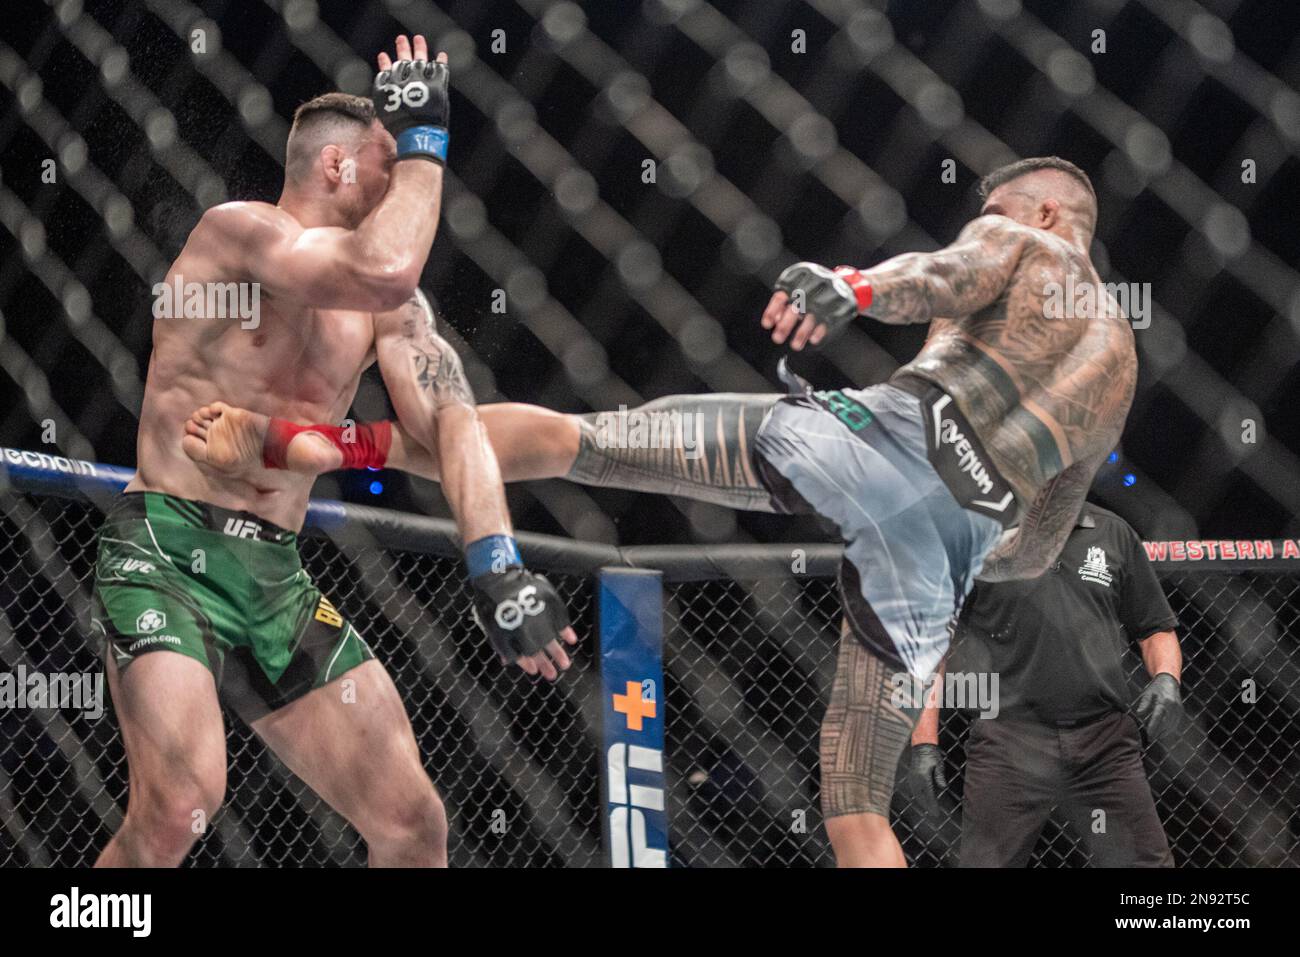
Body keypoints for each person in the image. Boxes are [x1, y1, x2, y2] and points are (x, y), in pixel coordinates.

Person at [184, 156, 1137, 867]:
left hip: (879, 440)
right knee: (856, 805)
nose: (984, 216)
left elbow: (945, 275)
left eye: (995, 206)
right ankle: (310, 446)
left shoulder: (1028, 238)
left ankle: (307, 447)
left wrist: (853, 288)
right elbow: (1038, 545)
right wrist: (950, 535)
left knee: (590, 440)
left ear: (1050, 209)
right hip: (959, 541)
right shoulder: (1120, 371)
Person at [91, 35, 576, 869]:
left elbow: (451, 422)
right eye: (388, 168)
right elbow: (381, 265)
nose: (407, 190)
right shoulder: (238, 236)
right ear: (339, 168)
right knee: (178, 807)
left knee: (412, 821)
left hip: (276, 572)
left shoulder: (388, 310)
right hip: (167, 546)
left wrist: (495, 560)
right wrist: (424, 139)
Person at [907, 504, 1181, 867]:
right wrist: (923, 742)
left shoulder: (1112, 532)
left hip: (1104, 741)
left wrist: (1166, 677)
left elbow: (1155, 628)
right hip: (1008, 741)